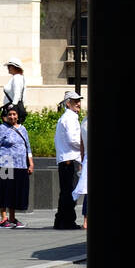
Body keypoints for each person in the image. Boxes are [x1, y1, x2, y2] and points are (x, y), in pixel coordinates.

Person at [0, 104, 33, 229]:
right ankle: (4, 219)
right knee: (4, 191)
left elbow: (28, 147)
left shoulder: (23, 129)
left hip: (20, 164)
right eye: (10, 114)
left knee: (15, 191)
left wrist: (31, 162)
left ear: (18, 116)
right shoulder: (2, 129)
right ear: (5, 116)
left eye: (14, 114)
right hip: (6, 162)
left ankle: (12, 218)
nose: (12, 116)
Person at [53, 91, 83, 229]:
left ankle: (61, 220)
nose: (78, 103)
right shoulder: (70, 118)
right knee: (70, 191)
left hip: (65, 159)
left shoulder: (66, 117)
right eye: (75, 101)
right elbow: (73, 139)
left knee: (65, 191)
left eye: (79, 100)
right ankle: (67, 221)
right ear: (67, 103)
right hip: (70, 159)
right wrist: (85, 146)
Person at [72, 117, 88, 229]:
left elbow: (81, 144)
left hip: (87, 158)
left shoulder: (84, 121)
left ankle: (86, 221)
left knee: (88, 190)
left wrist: (82, 160)